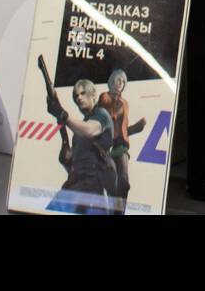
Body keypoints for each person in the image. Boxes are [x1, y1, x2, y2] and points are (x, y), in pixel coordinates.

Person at [45, 78, 118, 214]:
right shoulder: (77, 133)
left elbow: (89, 130)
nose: (78, 97)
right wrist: (66, 159)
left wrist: (62, 114)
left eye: (82, 93)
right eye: (76, 96)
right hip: (75, 187)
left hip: (94, 190)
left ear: (93, 94)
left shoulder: (101, 114)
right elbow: (75, 165)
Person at [98, 69, 146, 213]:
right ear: (112, 80)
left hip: (121, 146)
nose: (121, 83)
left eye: (124, 81)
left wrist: (138, 127)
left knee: (124, 183)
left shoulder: (125, 103)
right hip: (106, 146)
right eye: (119, 80)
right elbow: (104, 118)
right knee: (112, 182)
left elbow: (123, 129)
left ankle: (120, 212)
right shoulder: (104, 97)